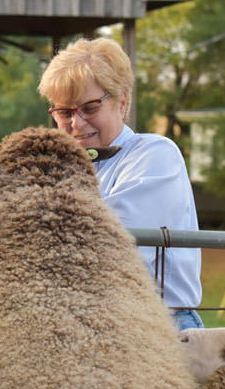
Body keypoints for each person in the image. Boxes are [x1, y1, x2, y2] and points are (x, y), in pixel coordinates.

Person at [38, 37, 204, 330]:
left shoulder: (155, 155)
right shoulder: (59, 169)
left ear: (122, 101)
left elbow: (105, 244)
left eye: (89, 109)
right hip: (81, 320)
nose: (76, 123)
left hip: (160, 324)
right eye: (64, 112)